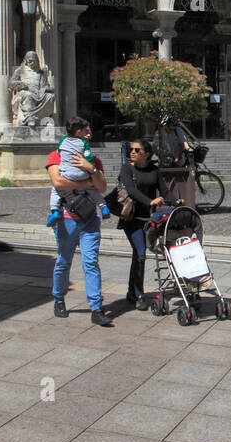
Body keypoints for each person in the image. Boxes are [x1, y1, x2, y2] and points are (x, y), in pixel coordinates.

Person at [47, 116, 113, 327]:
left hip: (89, 219)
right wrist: (87, 181)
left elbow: (102, 188)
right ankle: (58, 298)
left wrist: (90, 168)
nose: (89, 134)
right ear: (76, 131)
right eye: (86, 131)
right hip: (67, 220)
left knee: (91, 262)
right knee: (63, 261)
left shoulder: (93, 159)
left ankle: (96, 307)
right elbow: (58, 182)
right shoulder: (55, 155)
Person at [111, 139, 169, 309]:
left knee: (138, 256)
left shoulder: (154, 170)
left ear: (147, 154)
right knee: (140, 254)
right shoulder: (127, 168)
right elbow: (131, 191)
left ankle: (131, 291)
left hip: (149, 219)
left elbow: (164, 192)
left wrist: (177, 201)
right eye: (131, 149)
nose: (132, 152)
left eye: (137, 150)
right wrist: (150, 201)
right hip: (132, 219)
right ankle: (139, 295)